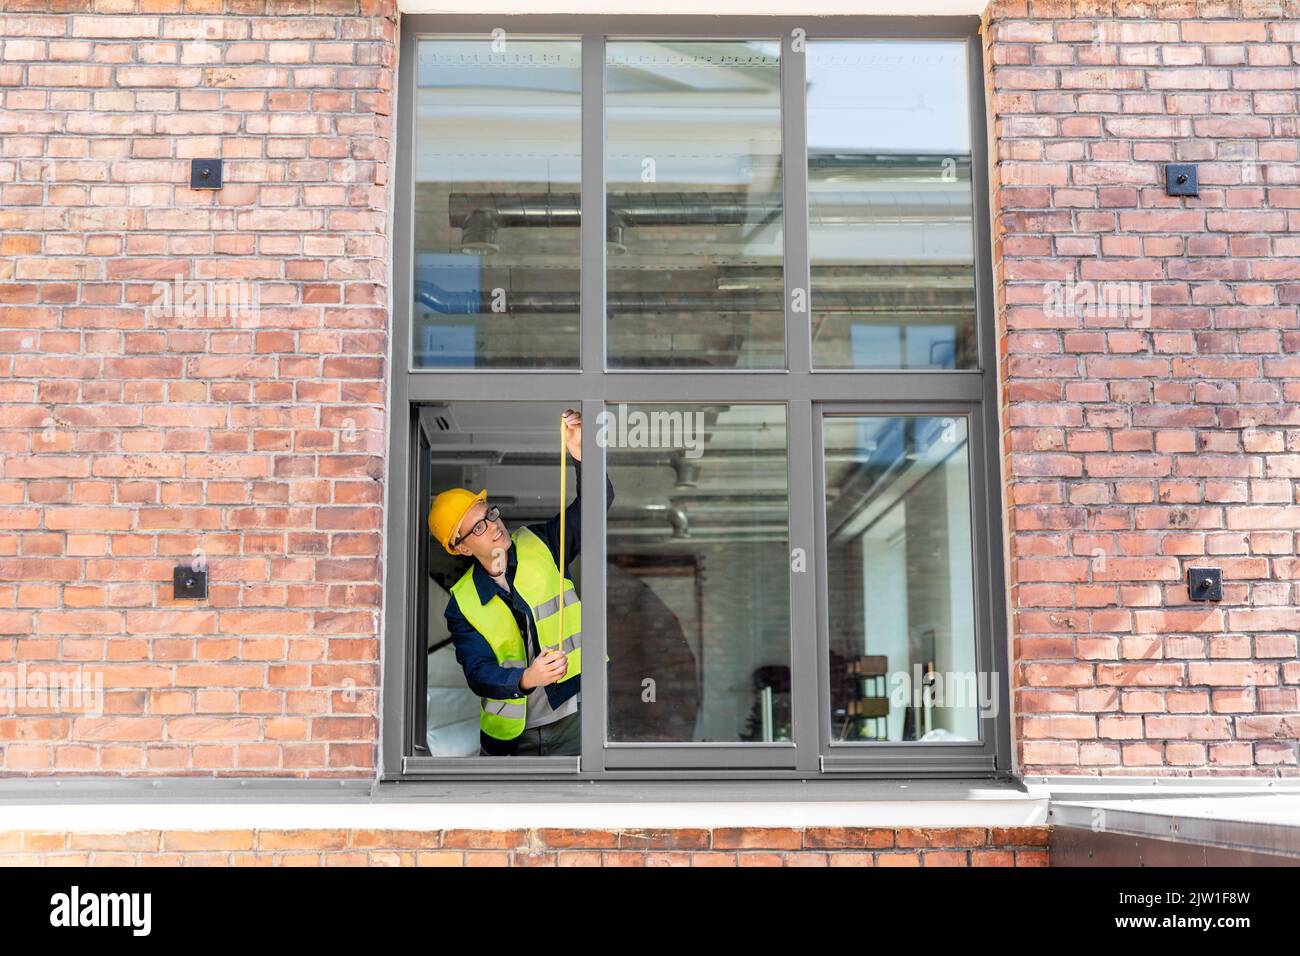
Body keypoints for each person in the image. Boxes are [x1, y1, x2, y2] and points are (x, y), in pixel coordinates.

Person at [429, 409, 613, 756]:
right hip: (513, 737)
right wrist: (528, 678)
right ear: (461, 547)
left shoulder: (541, 542)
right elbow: (479, 672)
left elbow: (594, 508)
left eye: (489, 514)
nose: (494, 525)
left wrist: (582, 456)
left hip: (575, 716)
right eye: (478, 527)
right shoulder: (462, 603)